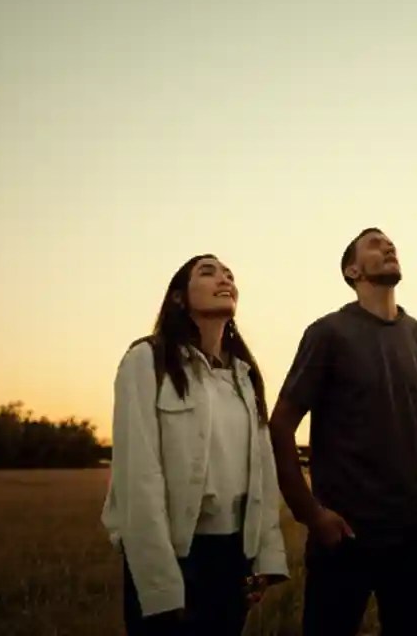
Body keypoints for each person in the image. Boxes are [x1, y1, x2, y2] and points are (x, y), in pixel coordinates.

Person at [269, 227, 417, 636]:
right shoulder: (328, 333)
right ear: (352, 270)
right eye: (373, 243)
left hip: (414, 535)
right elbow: (280, 426)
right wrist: (310, 513)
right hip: (345, 535)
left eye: (390, 243)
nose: (388, 246)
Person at [102, 254, 289, 636]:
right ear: (178, 299)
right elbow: (138, 477)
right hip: (177, 554)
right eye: (208, 272)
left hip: (233, 556)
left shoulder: (244, 377)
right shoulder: (146, 361)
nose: (225, 279)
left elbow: (263, 473)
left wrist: (264, 558)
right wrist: (162, 584)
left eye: (230, 275)